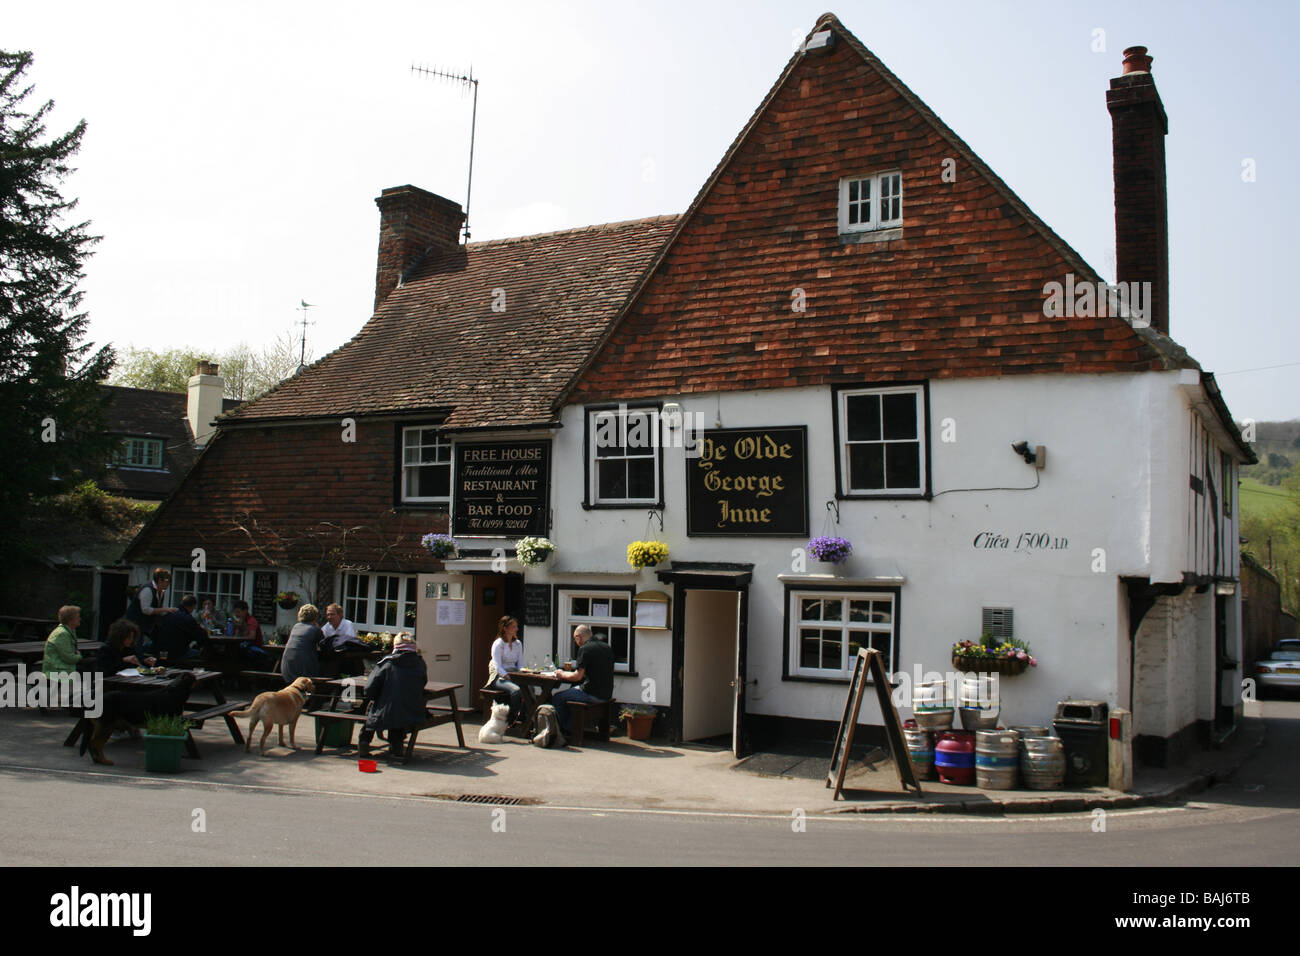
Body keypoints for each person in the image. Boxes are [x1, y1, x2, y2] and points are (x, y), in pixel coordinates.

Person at [359, 632, 429, 761]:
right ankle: (396, 746)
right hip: (414, 710)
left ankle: (364, 742)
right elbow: (423, 682)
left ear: (395, 646)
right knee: (397, 705)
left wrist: (377, 696)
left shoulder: (387, 663)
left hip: (387, 711)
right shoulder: (420, 663)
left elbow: (369, 689)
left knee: (377, 707)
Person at [551, 624, 614, 737]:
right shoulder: (606, 647)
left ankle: (562, 731)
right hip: (607, 693)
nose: (575, 642)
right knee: (571, 691)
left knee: (558, 697)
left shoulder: (585, 649)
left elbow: (578, 676)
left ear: (579, 637)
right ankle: (570, 726)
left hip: (592, 694)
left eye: (575, 638)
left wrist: (562, 673)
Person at [484, 615, 525, 725]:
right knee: (516, 690)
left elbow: (520, 663)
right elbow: (497, 666)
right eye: (513, 627)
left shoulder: (518, 644)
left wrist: (522, 674)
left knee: (529, 688)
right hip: (499, 676)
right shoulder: (498, 644)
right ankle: (510, 720)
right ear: (505, 628)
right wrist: (507, 676)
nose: (516, 629)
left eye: (516, 626)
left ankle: (525, 718)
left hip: (514, 673)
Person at [127, 568, 176, 642]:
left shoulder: (161, 592)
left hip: (146, 625)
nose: (169, 583)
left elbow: (158, 609)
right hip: (135, 624)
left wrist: (169, 612)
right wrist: (165, 609)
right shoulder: (148, 590)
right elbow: (146, 610)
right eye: (167, 581)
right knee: (136, 646)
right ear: (160, 580)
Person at [152, 596, 207, 661]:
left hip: (161, 651)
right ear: (193, 606)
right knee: (203, 656)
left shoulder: (167, 614)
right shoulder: (187, 618)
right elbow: (200, 636)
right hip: (177, 653)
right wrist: (202, 629)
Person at [280, 603, 323, 683]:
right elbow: (323, 645)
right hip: (303, 668)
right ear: (315, 617)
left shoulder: (296, 626)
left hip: (287, 667)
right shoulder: (315, 629)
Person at [42, 606, 83, 676]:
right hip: (56, 670)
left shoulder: (70, 630)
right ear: (70, 620)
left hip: (61, 667)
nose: (80, 619)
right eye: (77, 617)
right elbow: (68, 657)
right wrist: (79, 656)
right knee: (87, 669)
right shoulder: (62, 633)